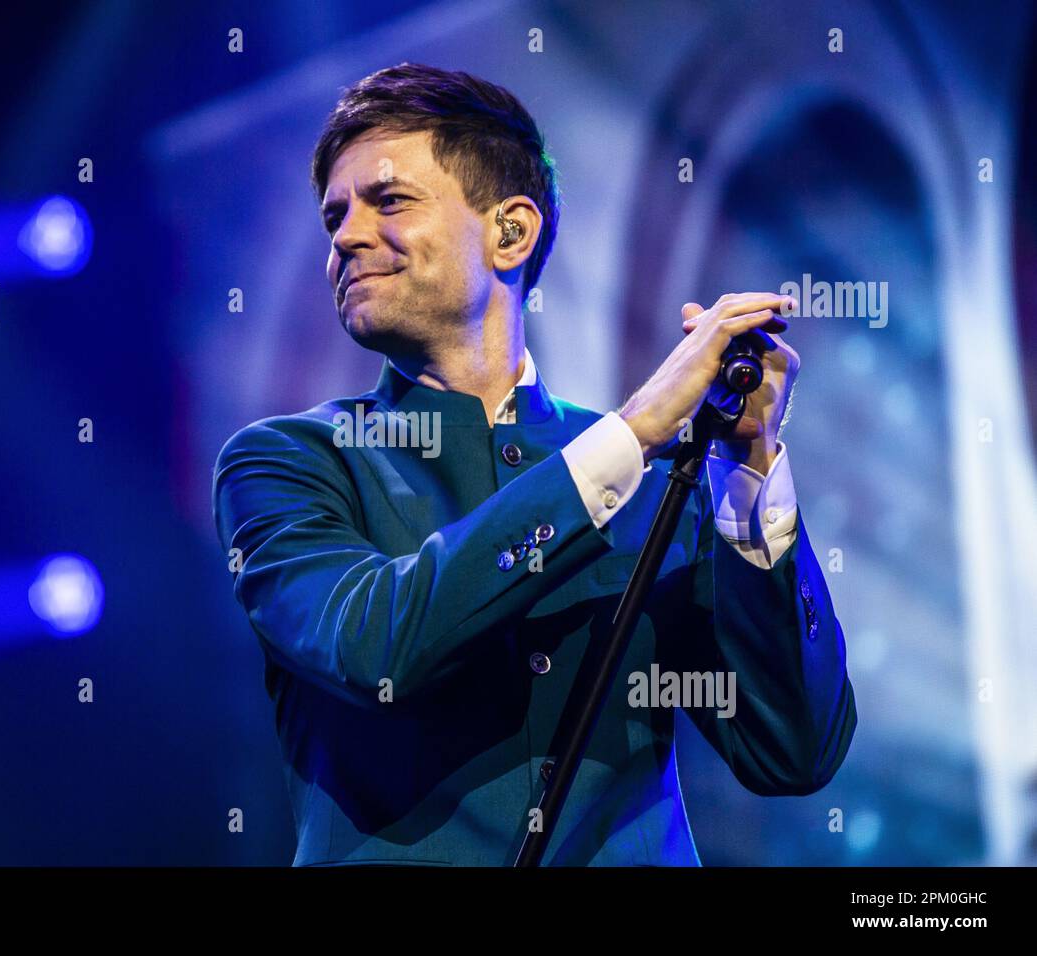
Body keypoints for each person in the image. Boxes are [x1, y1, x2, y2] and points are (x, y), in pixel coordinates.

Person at [212, 62, 856, 866]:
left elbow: (791, 751)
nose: (345, 236)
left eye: (388, 201)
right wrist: (633, 434)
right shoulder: (285, 462)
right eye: (334, 215)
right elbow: (372, 648)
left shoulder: (662, 480)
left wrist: (747, 473)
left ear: (511, 233)